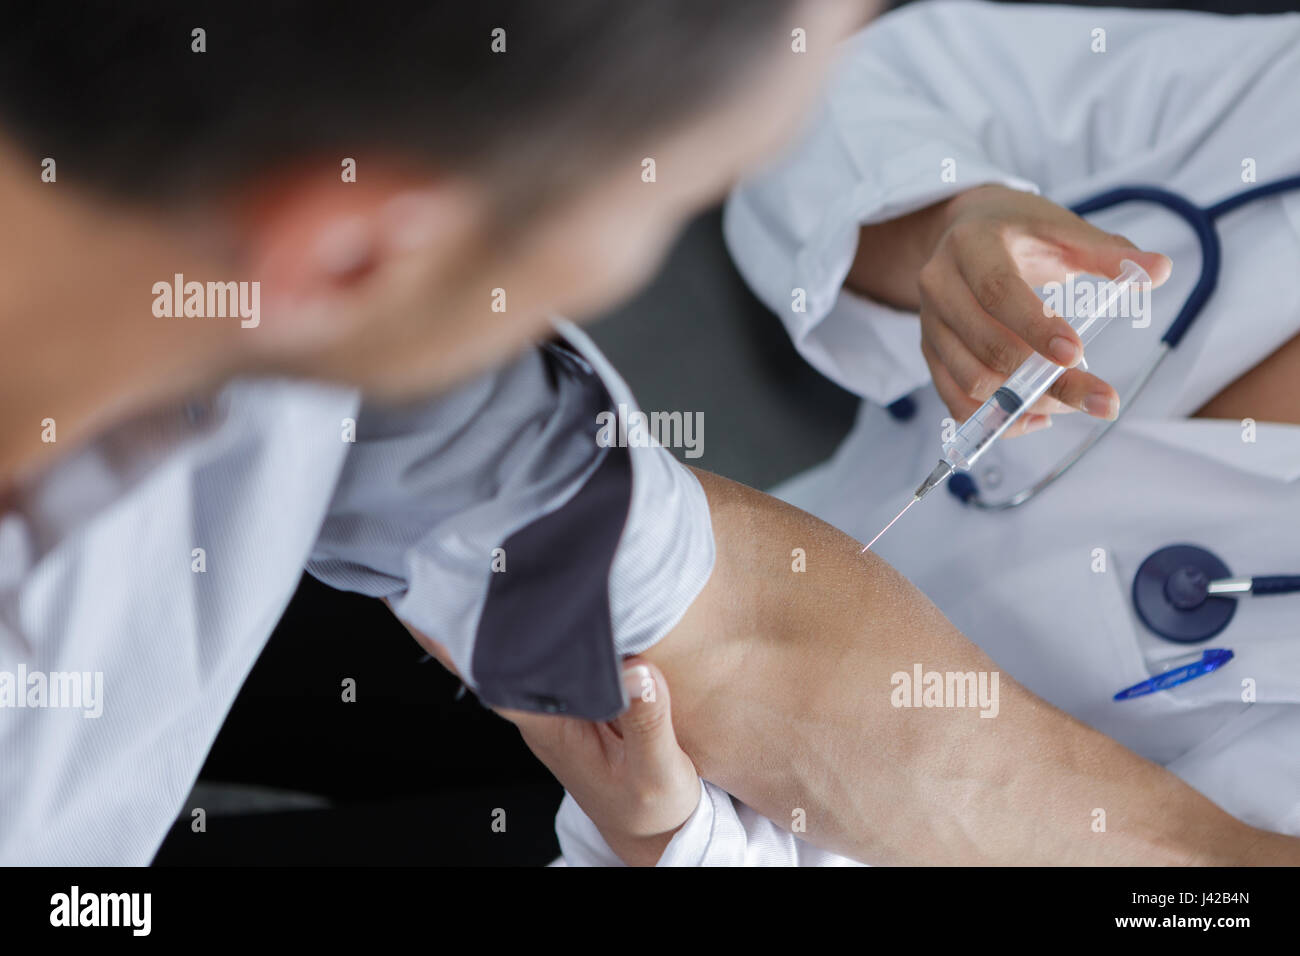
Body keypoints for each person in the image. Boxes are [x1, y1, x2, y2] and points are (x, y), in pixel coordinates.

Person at [0, 1, 1294, 867]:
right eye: (653, 206)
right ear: (355, 248)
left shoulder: (421, 394)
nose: (617, 281)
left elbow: (732, 620)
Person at [539, 0, 1300, 864]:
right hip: (665, 598)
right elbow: (834, 83)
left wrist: (684, 842)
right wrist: (941, 222)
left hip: (695, 788)